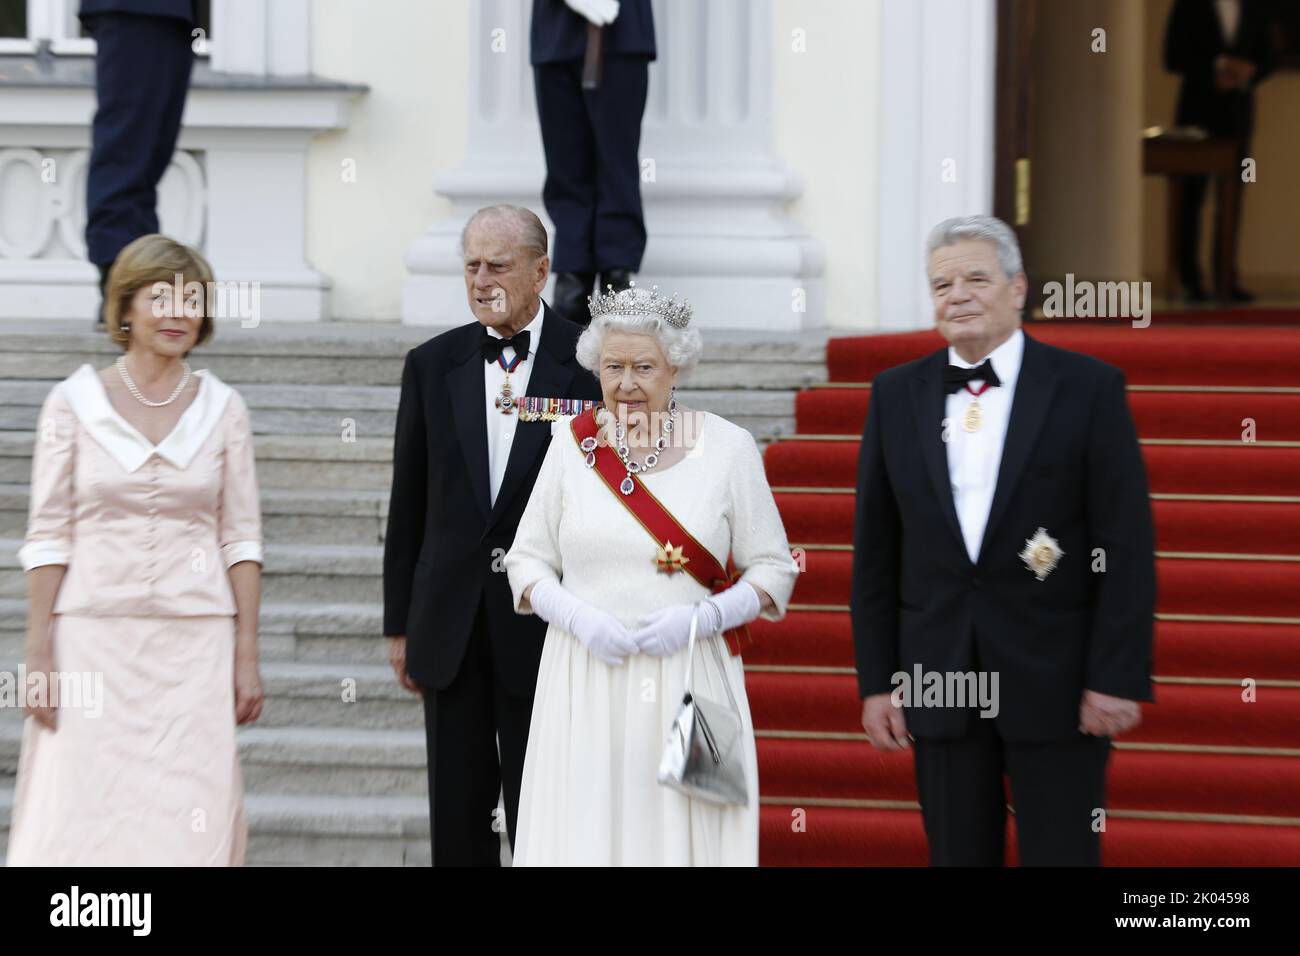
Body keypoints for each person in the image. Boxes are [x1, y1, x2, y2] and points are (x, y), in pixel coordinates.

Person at [852, 216, 1155, 866]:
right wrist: (878, 681)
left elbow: (1125, 546)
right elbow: (876, 553)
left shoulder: (1089, 387)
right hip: (939, 675)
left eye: (975, 278)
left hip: (1058, 676)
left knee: (1064, 853)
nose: (956, 294)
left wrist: (1115, 675)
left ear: (1018, 288)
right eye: (941, 283)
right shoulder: (894, 394)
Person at [504, 284, 797, 865]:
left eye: (644, 367)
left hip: (690, 674)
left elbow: (773, 568)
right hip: (584, 675)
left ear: (676, 367)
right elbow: (526, 559)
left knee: (690, 836)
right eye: (613, 367)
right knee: (584, 832)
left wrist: (706, 614)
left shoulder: (729, 448)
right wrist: (576, 616)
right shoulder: (569, 443)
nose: (627, 384)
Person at [7, 233, 263, 866]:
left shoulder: (223, 409)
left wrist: (246, 653)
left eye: (192, 300)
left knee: (189, 805)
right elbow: (47, 534)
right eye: (161, 297)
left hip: (195, 642)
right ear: (124, 307)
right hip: (92, 640)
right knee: (84, 806)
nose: (178, 313)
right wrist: (37, 655)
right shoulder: (72, 404)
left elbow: (241, 538)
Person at [383, 205, 603, 866]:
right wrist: (400, 623)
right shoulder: (430, 364)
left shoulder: (593, 363)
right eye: (471, 265)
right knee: (457, 818)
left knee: (546, 813)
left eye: (497, 265)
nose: (481, 279)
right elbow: (409, 502)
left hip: (548, 625)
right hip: (448, 624)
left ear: (541, 272)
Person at [531, 0, 656, 324]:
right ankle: (573, 276)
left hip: (620, 27)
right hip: (556, 29)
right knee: (564, 165)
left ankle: (618, 274)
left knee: (617, 164)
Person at [80, 0, 198, 327]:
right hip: (136, 8)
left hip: (168, 12)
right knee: (127, 148)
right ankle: (124, 284)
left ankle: (138, 278)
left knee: (148, 153)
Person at [1163, 0, 1276, 302]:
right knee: (1191, 199)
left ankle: (1226, 277)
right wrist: (1218, 65)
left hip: (1238, 117)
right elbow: (1173, 56)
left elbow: (1268, 56)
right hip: (1197, 113)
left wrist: (1248, 72)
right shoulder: (1188, 6)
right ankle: (1190, 279)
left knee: (1233, 200)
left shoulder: (1254, 8)